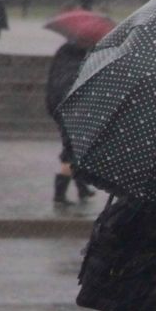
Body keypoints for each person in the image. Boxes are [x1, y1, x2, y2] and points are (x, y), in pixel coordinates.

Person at [46, 40, 95, 205]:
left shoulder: (64, 53)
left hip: (56, 103)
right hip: (74, 107)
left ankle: (82, 188)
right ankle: (59, 194)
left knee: (75, 148)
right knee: (73, 152)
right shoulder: (85, 62)